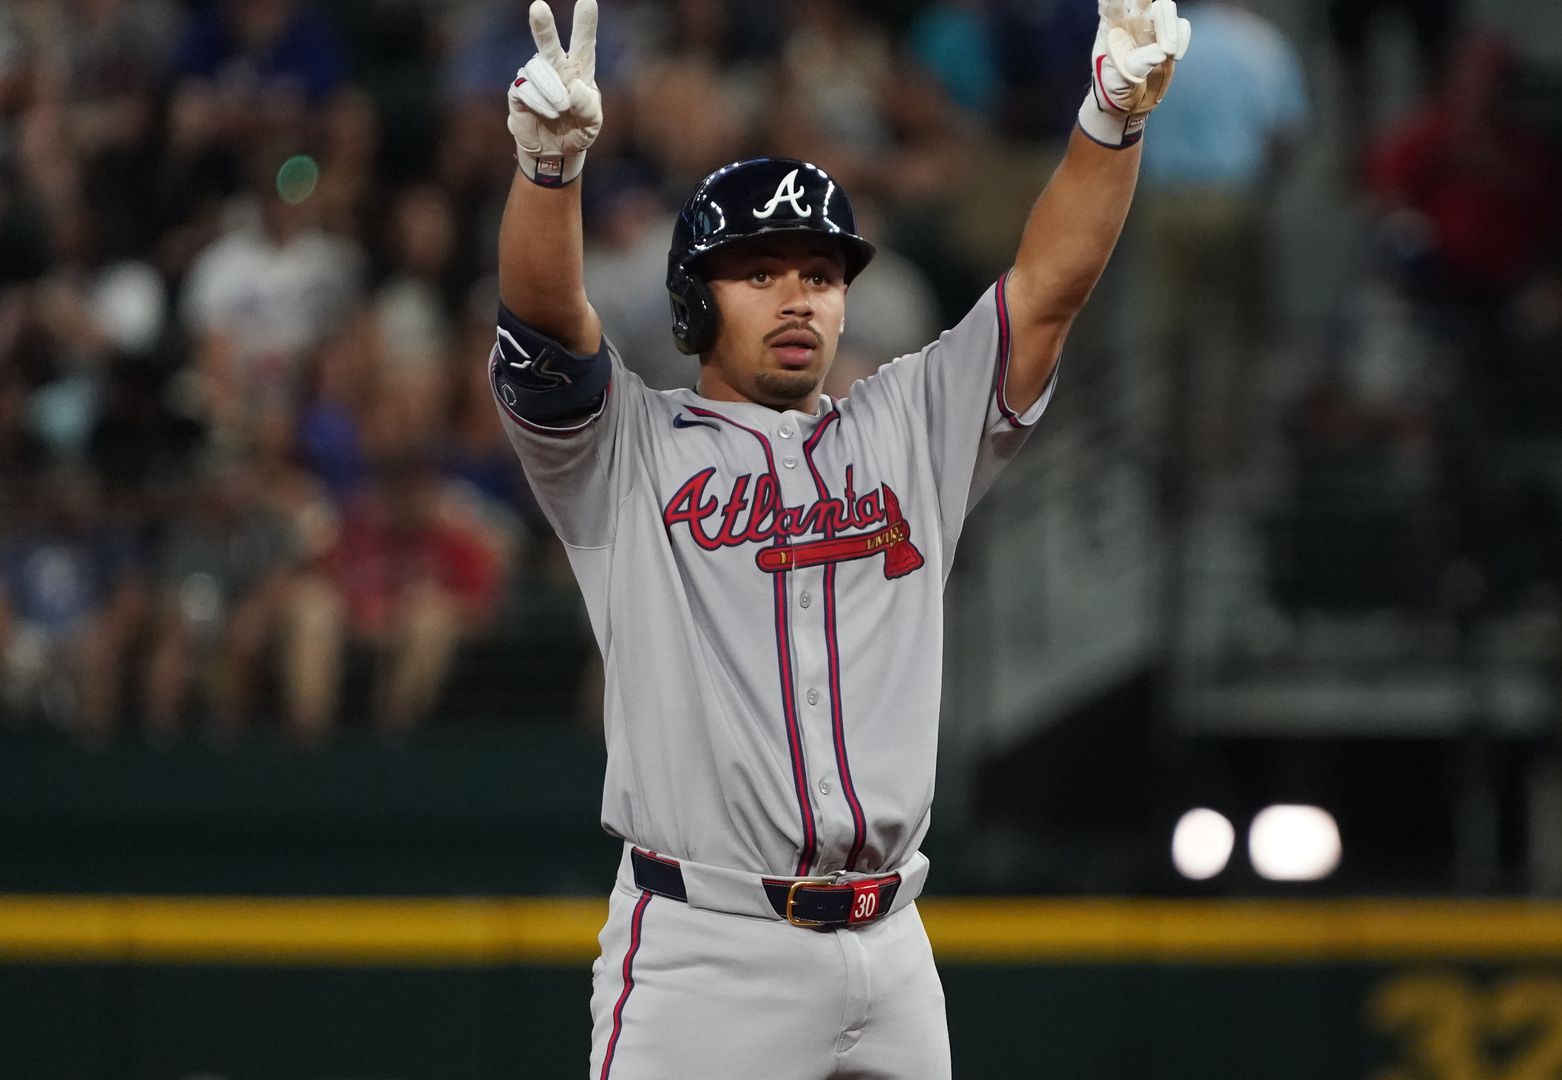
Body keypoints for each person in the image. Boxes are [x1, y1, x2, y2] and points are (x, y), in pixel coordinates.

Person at [488, 1, 1189, 1076]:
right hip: (707, 949)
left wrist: (1108, 123)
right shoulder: (623, 452)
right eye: (759, 271)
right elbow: (545, 321)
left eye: (818, 273)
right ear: (695, 300)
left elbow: (1045, 293)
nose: (798, 297)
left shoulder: (908, 424)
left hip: (893, 944)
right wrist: (548, 175)